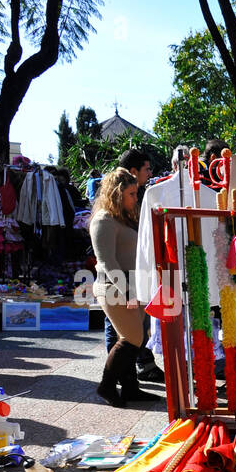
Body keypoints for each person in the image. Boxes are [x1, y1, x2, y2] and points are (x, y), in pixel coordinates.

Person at [90, 167, 158, 407]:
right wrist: (127, 291)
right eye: (131, 193)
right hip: (114, 288)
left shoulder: (123, 216)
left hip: (131, 286)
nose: (135, 198)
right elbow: (107, 262)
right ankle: (106, 386)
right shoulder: (103, 220)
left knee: (134, 338)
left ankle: (130, 388)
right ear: (117, 193)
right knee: (131, 338)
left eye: (135, 193)